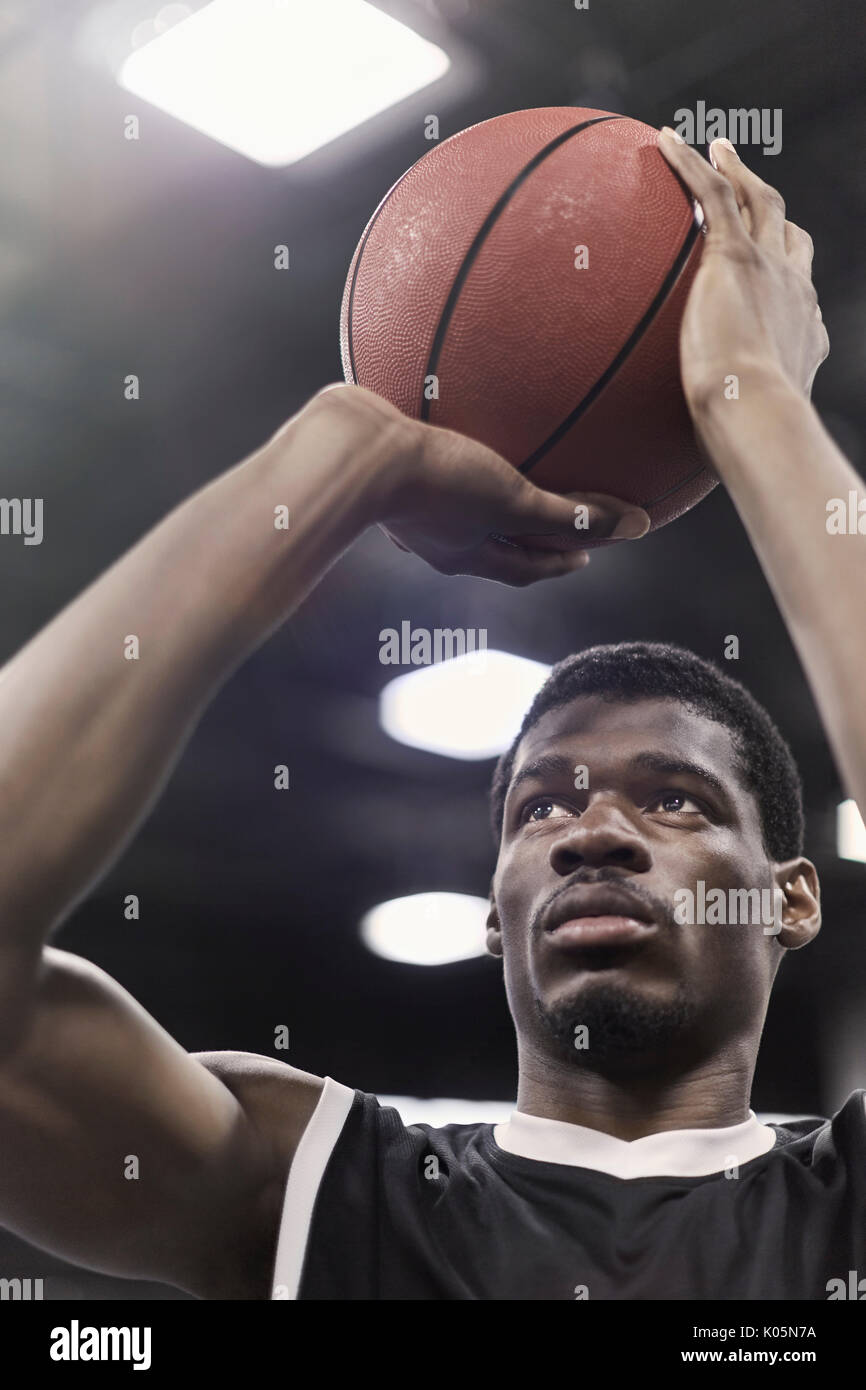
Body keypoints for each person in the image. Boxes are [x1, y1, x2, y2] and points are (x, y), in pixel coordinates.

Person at [0, 131, 858, 1301]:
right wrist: (331, 457)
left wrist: (746, 395)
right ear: (495, 916)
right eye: (539, 803)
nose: (588, 831)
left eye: (673, 797)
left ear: (790, 896)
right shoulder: (307, 1190)